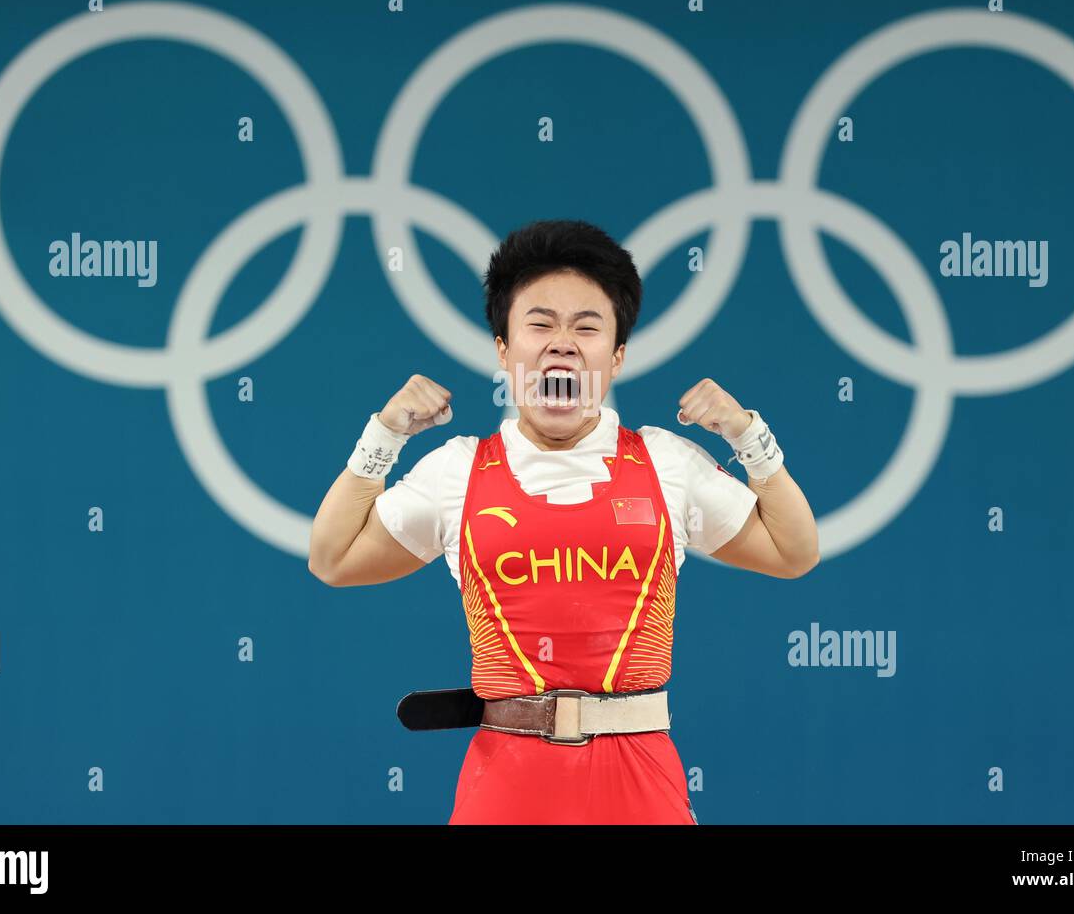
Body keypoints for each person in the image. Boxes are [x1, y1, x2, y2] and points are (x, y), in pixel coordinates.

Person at [308, 219, 820, 824]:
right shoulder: (458, 471)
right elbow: (333, 558)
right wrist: (384, 434)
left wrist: (748, 435)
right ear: (504, 349)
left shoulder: (665, 463)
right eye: (541, 324)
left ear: (617, 355)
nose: (563, 343)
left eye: (587, 326)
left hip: (641, 783)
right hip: (505, 784)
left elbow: (795, 551)